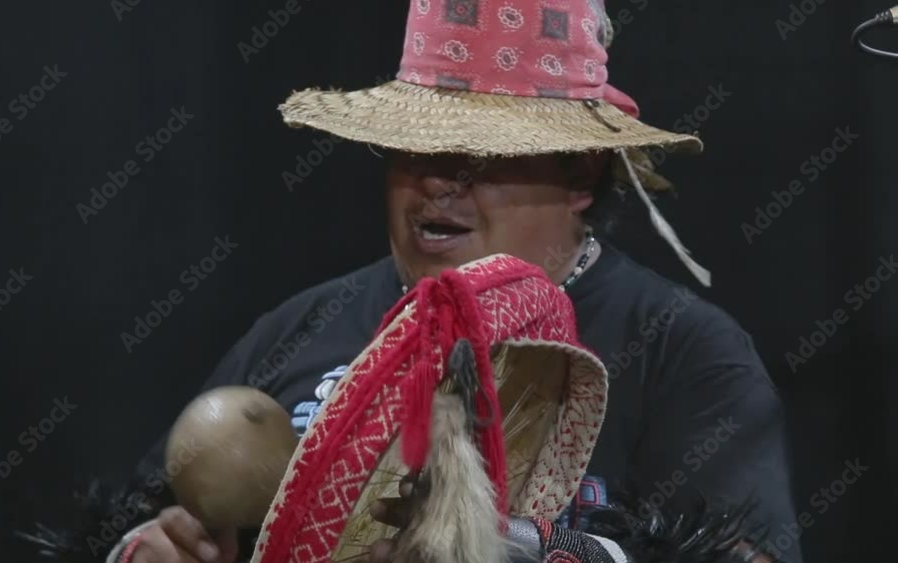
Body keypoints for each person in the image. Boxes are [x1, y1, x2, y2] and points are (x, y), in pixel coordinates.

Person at [106, 1, 803, 562]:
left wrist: (522, 551)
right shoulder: (298, 328)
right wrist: (147, 547)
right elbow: (141, 518)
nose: (438, 180)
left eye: (481, 156)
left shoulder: (684, 352)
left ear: (581, 173)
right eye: (415, 147)